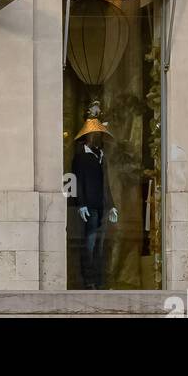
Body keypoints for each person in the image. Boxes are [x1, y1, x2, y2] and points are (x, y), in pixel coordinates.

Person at [71, 108, 119, 289]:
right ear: (89, 136)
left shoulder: (100, 156)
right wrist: (80, 204)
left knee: (100, 245)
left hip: (100, 206)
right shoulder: (80, 157)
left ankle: (98, 280)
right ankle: (88, 280)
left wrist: (112, 205)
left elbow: (105, 183)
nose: (99, 138)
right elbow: (76, 181)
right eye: (96, 135)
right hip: (88, 207)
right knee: (89, 244)